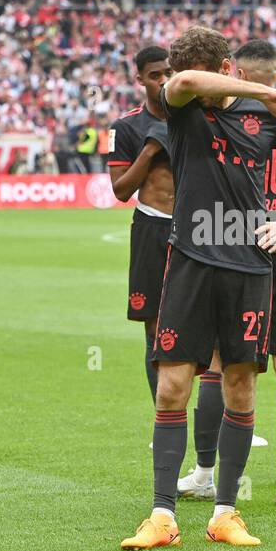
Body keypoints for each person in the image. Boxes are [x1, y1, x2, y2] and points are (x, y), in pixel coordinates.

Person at [120, 26, 276, 550]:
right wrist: (269, 91)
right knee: (172, 386)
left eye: (217, 78)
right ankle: (162, 515)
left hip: (250, 264)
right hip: (189, 259)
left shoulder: (267, 121)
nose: (201, 88)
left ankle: (225, 513)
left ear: (228, 69)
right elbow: (185, 78)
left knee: (240, 384)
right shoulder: (184, 106)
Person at [176, 39, 276, 508]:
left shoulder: (219, 115)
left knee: (221, 363)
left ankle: (205, 472)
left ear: (234, 74)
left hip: (239, 241)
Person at [107, 45, 175, 402]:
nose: (163, 81)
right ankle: (163, 419)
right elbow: (120, 190)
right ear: (139, 80)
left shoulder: (196, 117)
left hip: (198, 227)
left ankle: (218, 422)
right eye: (154, 75)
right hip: (152, 227)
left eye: (169, 73)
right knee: (155, 328)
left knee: (212, 327)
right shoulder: (126, 127)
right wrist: (149, 151)